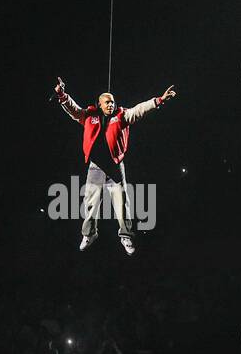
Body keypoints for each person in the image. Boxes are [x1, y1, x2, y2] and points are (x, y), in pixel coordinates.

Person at [54, 76, 177, 256]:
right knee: (90, 203)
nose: (111, 104)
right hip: (96, 166)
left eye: (112, 102)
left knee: (122, 204)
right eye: (107, 102)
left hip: (115, 166)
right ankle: (89, 234)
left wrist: (158, 101)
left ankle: (125, 236)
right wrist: (62, 95)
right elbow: (73, 109)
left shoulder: (122, 116)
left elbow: (139, 109)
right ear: (99, 104)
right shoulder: (89, 115)